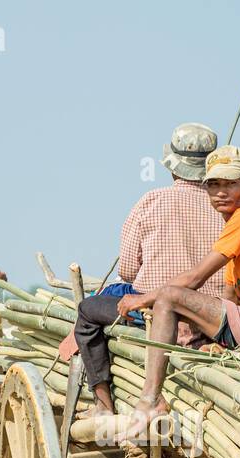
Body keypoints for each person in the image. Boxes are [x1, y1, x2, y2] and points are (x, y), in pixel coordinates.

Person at [116, 145, 240, 435]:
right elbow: (228, 297)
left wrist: (142, 298)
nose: (221, 192)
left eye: (231, 184)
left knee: (169, 297)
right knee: (173, 303)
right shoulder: (236, 232)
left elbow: (196, 278)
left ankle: (150, 399)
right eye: (214, 185)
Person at [72, 122, 225, 416]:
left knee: (87, 311)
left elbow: (128, 270)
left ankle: (103, 405)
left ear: (172, 167)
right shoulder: (226, 208)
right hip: (214, 317)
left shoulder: (151, 201)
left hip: (156, 316)